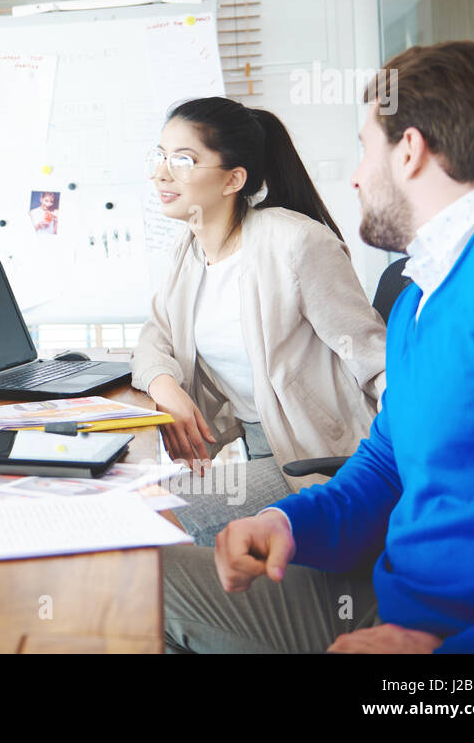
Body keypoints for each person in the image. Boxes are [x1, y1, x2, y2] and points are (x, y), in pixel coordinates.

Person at [162, 41, 474, 653]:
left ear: (412, 150)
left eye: (366, 147)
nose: (356, 175)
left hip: (472, 635)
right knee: (138, 581)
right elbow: (386, 466)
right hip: (392, 597)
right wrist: (287, 522)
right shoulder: (424, 291)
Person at [132, 98, 386, 544]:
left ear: (234, 179)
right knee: (140, 504)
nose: (161, 173)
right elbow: (156, 334)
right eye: (160, 156)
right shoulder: (189, 250)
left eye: (184, 160)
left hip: (320, 458)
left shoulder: (294, 243)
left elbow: (374, 359)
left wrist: (410, 465)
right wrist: (164, 387)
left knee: (152, 516)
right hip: (257, 448)